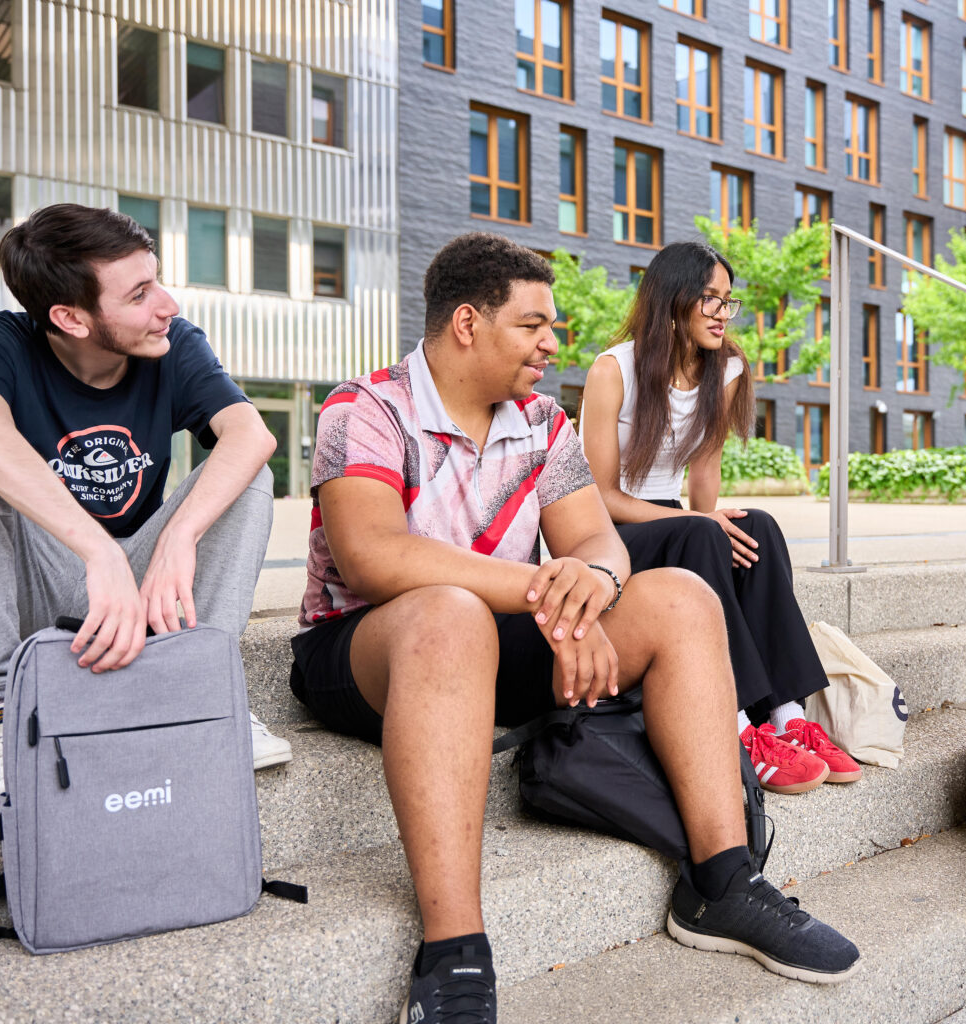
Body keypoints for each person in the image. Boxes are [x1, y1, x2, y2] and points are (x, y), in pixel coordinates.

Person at [290, 233, 861, 1023]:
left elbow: (595, 541)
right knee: (450, 614)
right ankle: (454, 951)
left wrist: (591, 589)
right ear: (467, 323)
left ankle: (723, 881)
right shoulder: (366, 409)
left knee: (682, 597)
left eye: (551, 327)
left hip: (502, 639)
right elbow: (373, 557)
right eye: (532, 326)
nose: (552, 344)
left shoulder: (540, 421)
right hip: (368, 650)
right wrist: (549, 597)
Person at [0, 203, 292, 813]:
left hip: (140, 592)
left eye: (157, 280)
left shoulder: (174, 344)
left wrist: (178, 538)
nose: (167, 304)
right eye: (139, 294)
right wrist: (98, 552)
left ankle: (200, 692)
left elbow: (251, 435)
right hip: (35, 582)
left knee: (247, 474)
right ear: (70, 317)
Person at [577, 240, 859, 796]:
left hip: (675, 519)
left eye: (728, 300)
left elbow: (704, 470)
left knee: (758, 527)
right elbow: (600, 495)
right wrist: (699, 525)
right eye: (709, 298)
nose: (722, 312)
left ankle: (787, 717)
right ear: (672, 298)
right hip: (609, 531)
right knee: (700, 529)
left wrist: (712, 520)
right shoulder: (614, 370)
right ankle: (732, 726)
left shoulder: (725, 366)